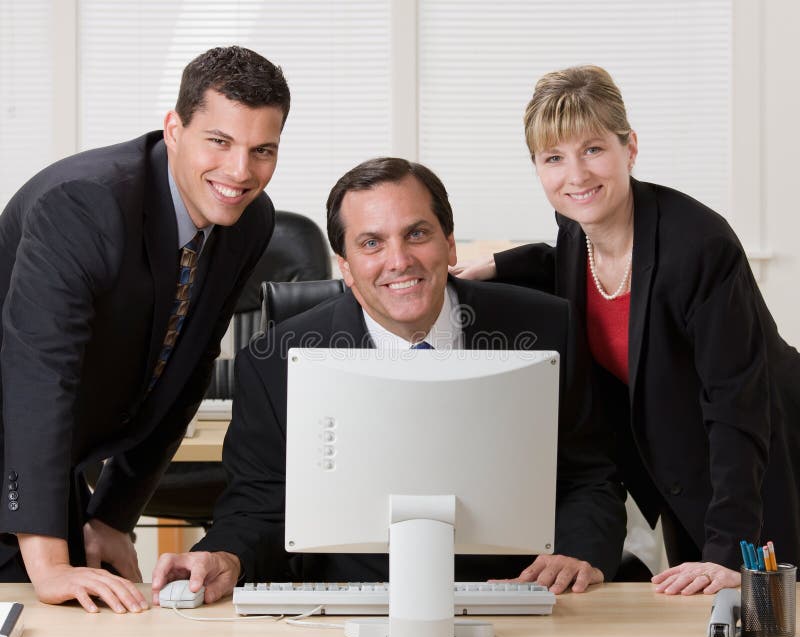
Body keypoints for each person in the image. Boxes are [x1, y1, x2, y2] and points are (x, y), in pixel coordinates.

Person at [151, 157, 626, 605]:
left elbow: (590, 476)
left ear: (449, 243)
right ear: (346, 267)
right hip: (352, 606)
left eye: (416, 233)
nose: (399, 261)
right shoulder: (273, 361)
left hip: (516, 596)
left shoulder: (546, 327)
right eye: (372, 243)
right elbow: (260, 505)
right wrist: (224, 556)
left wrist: (578, 551)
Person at [452, 65, 800, 595]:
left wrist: (730, 549)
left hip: (765, 462)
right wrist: (497, 266)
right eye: (554, 158)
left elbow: (737, 406)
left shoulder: (699, 247)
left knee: (767, 622)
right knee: (698, 619)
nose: (576, 175)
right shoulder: (577, 227)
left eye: (593, 149)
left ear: (629, 148)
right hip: (686, 471)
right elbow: (561, 261)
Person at [0, 46, 290, 613]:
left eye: (262, 150)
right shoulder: (86, 203)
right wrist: (51, 563)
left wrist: (110, 517)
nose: (240, 172)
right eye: (220, 141)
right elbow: (39, 375)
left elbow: (182, 373)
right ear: (174, 128)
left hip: (50, 462)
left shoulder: (249, 221)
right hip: (18, 445)